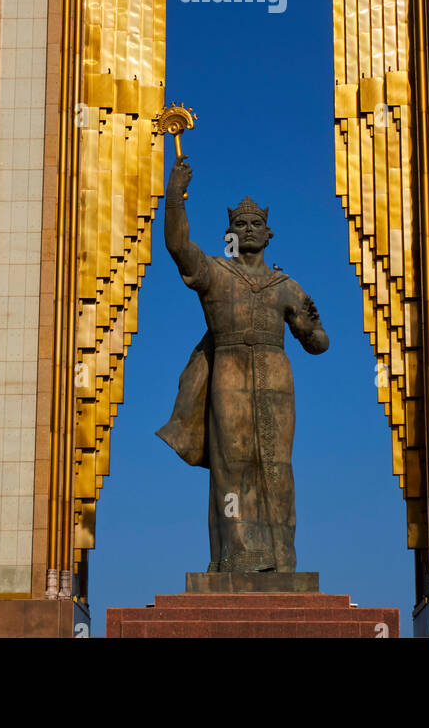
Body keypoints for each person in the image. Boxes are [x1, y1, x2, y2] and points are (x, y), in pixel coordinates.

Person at [157, 156, 328, 573]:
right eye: (241, 224)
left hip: (275, 373)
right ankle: (237, 558)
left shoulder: (286, 286)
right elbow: (178, 247)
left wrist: (310, 324)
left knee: (275, 465)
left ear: (269, 233)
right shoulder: (215, 273)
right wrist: (175, 195)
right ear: (229, 233)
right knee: (232, 463)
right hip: (229, 369)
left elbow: (319, 344)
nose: (248, 229)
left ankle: (281, 559)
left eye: (255, 224)